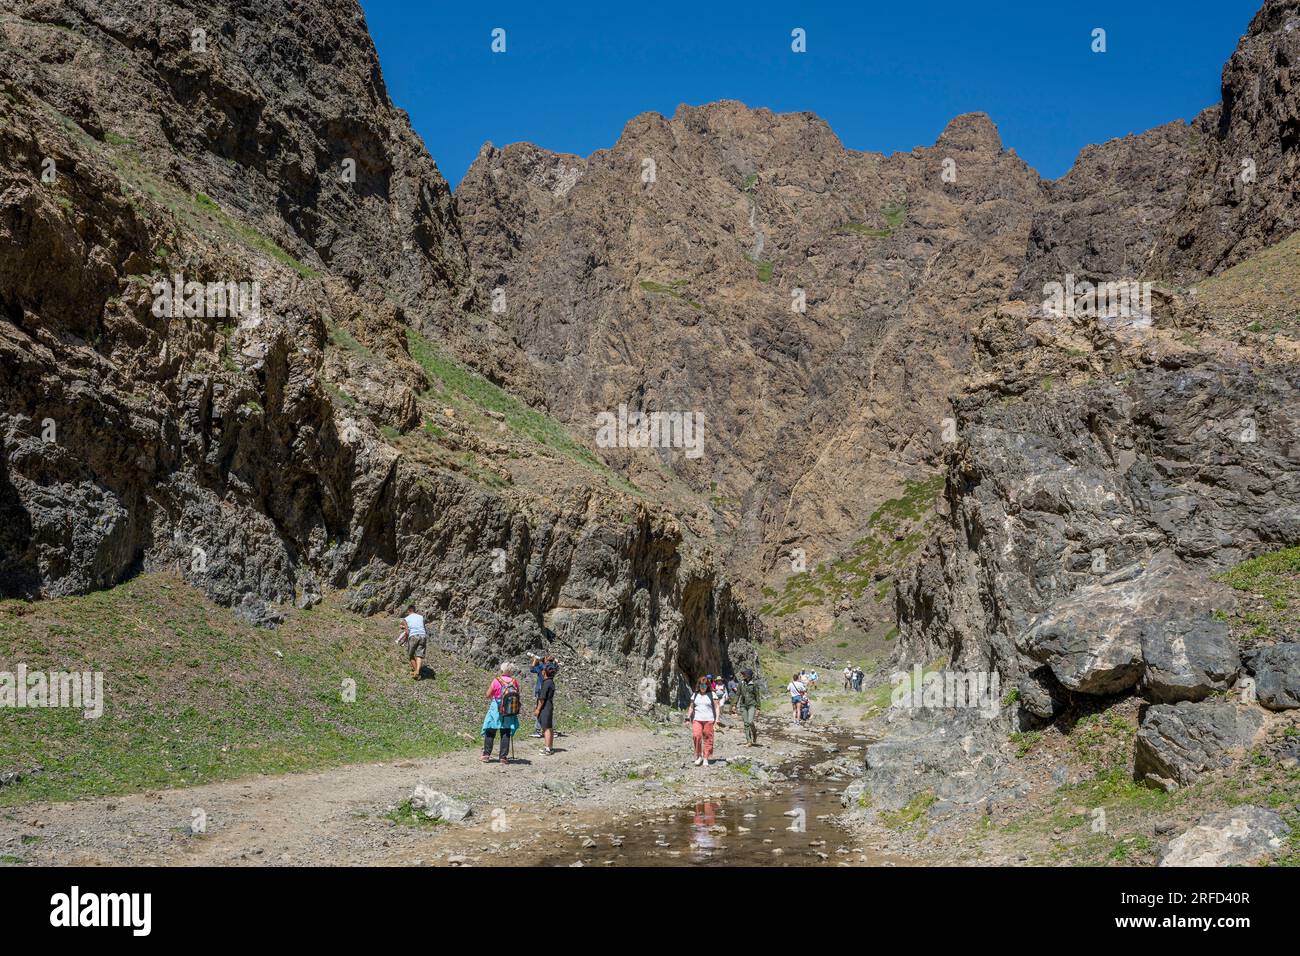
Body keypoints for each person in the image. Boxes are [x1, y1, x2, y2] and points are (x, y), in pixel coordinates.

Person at [481, 664, 521, 764]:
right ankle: (503, 757)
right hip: (508, 710)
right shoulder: (514, 682)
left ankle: (486, 755)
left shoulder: (496, 680)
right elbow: (518, 694)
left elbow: (488, 695)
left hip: (496, 709)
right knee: (505, 732)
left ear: (502, 669)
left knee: (490, 731)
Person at [687, 677, 717, 766]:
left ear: (708, 685)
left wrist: (717, 719)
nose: (703, 687)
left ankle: (705, 757)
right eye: (701, 685)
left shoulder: (712, 694)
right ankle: (699, 755)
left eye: (705, 685)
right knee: (697, 736)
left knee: (708, 738)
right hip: (697, 719)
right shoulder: (695, 695)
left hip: (709, 719)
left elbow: (717, 707)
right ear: (699, 685)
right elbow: (691, 707)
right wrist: (688, 717)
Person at [398, 605, 427, 680]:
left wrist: (403, 641)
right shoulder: (421, 617)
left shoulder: (406, 619)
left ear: (408, 611)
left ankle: (416, 671)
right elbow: (422, 626)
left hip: (413, 636)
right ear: (415, 610)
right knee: (419, 655)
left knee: (411, 655)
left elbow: (407, 632)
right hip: (423, 635)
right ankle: (417, 672)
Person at [535, 662, 557, 755]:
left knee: (546, 728)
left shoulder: (546, 683)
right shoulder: (551, 682)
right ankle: (550, 747)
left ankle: (548, 749)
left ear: (545, 672)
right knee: (549, 727)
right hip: (549, 706)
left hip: (545, 707)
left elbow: (542, 698)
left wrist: (538, 709)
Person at [736, 668, 761, 746]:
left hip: (752, 705)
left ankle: (754, 732)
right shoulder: (741, 683)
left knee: (750, 721)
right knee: (746, 723)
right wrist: (733, 705)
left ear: (749, 675)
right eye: (743, 674)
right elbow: (737, 694)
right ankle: (749, 741)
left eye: (745, 674)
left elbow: (757, 696)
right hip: (743, 705)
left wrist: (758, 708)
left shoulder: (754, 684)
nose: (743, 675)